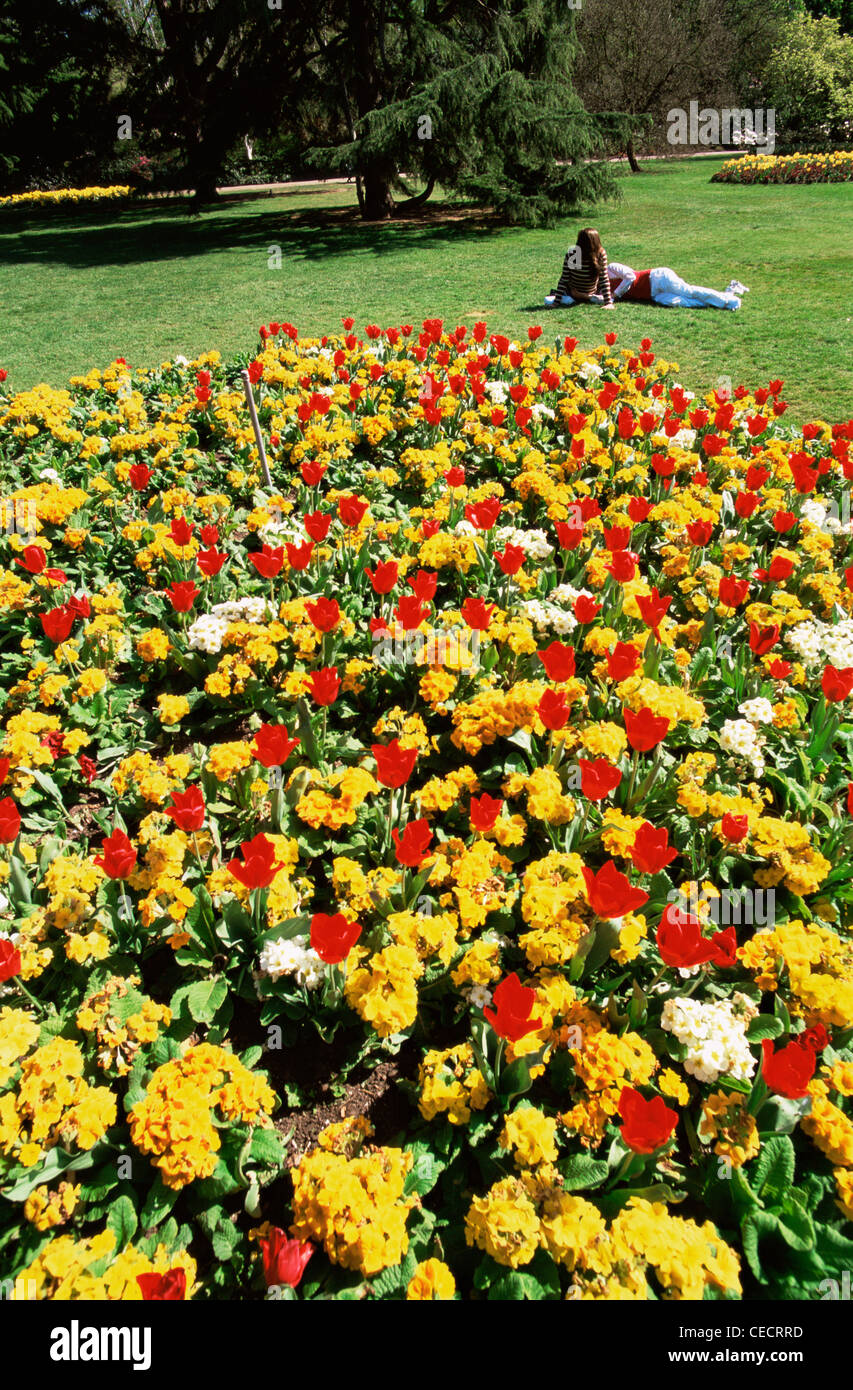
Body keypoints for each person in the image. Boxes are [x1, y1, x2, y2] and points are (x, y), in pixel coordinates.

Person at [607, 262, 749, 310]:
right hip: (654, 295)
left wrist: (614, 295)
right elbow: (599, 299)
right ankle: (727, 296)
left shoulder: (612, 267)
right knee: (684, 303)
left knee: (689, 291)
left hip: (657, 278)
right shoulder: (602, 287)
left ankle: (731, 301)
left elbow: (630, 277)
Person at [545, 228, 615, 308]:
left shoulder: (600, 254)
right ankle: (582, 298)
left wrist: (608, 303)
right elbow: (565, 279)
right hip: (572, 293)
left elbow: (603, 279)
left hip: (591, 292)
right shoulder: (573, 254)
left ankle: (585, 298)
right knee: (549, 300)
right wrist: (556, 302)